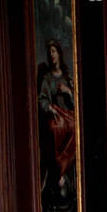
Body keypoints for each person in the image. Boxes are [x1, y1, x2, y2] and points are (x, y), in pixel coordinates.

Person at [37, 38, 76, 196]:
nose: (52, 55)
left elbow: (76, 101)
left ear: (59, 54)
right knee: (55, 129)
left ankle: (64, 169)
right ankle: (59, 171)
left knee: (75, 128)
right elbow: (42, 98)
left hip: (69, 115)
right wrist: (49, 108)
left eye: (54, 51)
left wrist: (68, 92)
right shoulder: (47, 79)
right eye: (49, 53)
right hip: (56, 115)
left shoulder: (67, 77)